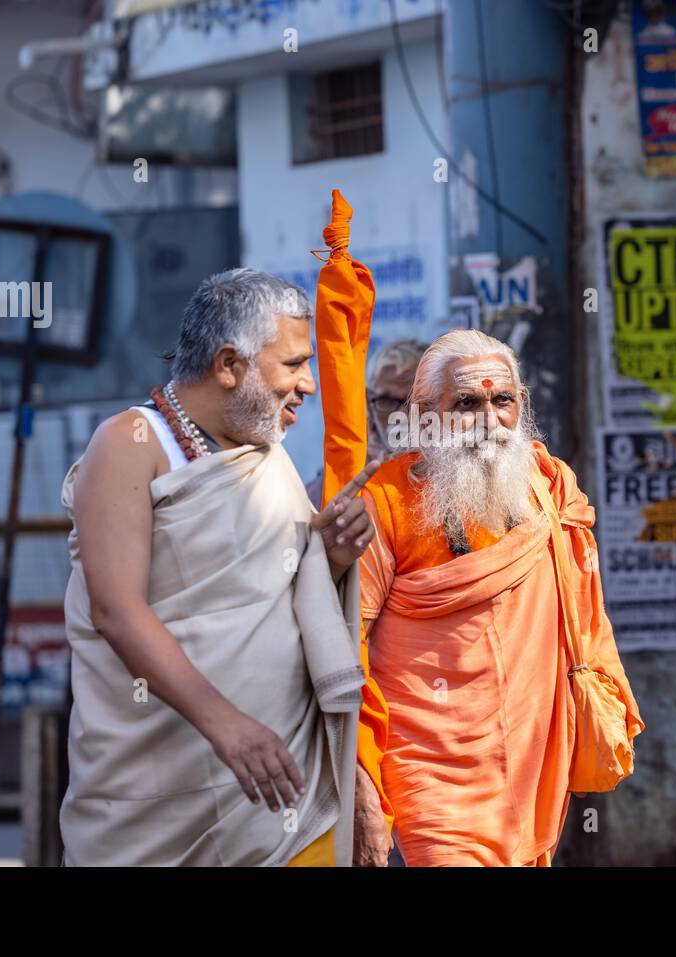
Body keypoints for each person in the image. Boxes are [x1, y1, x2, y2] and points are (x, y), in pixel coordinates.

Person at [59, 268, 378, 866]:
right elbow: (116, 611)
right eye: (292, 365)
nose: (308, 384)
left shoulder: (267, 457)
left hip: (283, 800)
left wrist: (330, 553)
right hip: (153, 802)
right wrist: (227, 725)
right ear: (229, 364)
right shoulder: (133, 442)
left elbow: (281, 588)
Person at [354, 329, 644, 866]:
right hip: (429, 777)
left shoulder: (552, 487)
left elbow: (583, 613)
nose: (489, 418)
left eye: (502, 399)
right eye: (467, 402)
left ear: (522, 405)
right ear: (425, 414)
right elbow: (346, 649)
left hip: (532, 765)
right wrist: (361, 782)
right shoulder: (386, 502)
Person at [305, 338, 427, 507]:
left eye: (415, 403)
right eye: (387, 401)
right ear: (368, 404)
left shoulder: (449, 478)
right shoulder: (341, 481)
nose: (402, 416)